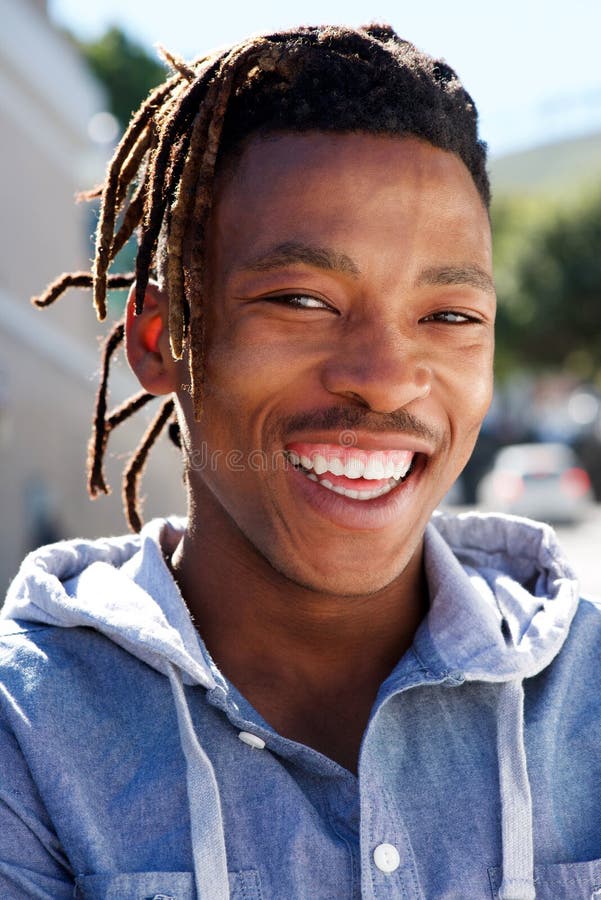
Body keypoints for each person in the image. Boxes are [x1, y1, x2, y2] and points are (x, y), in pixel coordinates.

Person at [1, 23, 600, 900]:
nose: (385, 379)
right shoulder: (27, 729)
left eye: (449, 316)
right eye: (301, 300)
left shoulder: (586, 692)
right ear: (161, 338)